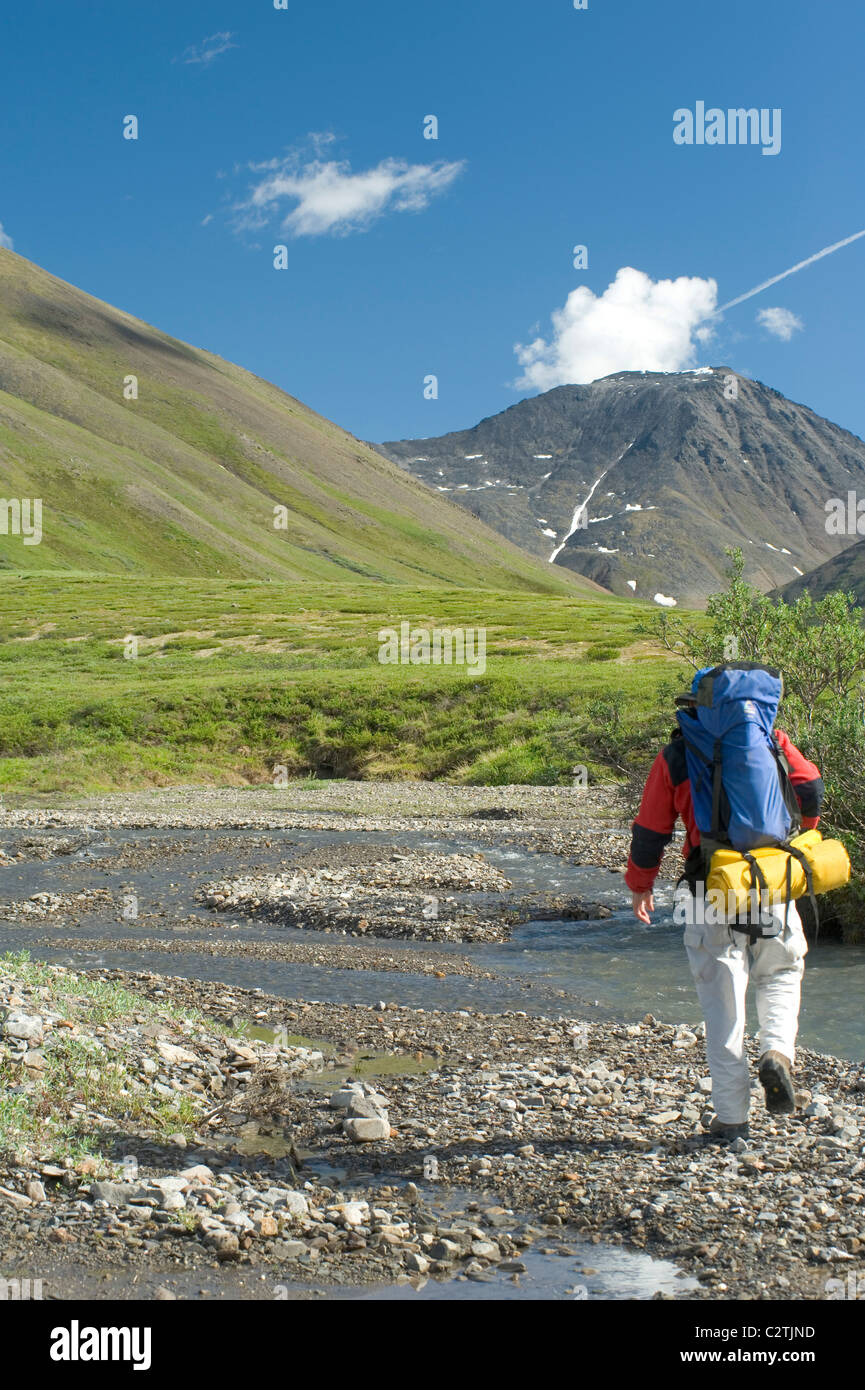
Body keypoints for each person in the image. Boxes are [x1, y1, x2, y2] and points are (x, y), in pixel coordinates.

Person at [625, 667, 824, 1141]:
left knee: (723, 1005)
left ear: (696, 706)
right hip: (771, 878)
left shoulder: (677, 754)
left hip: (708, 888)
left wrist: (641, 884)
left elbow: (651, 828)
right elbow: (811, 788)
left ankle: (732, 1119)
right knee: (780, 972)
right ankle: (776, 1052)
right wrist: (802, 835)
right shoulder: (771, 739)